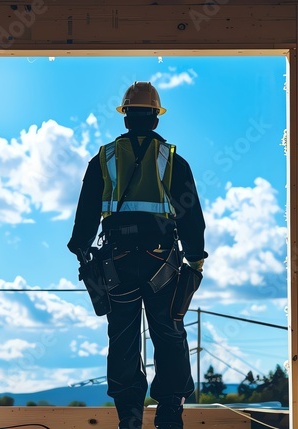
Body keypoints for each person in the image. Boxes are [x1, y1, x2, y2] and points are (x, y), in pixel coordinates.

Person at [68, 81, 207, 429]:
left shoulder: (104, 159)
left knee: (123, 340)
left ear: (126, 117)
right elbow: (190, 215)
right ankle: (169, 414)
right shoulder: (173, 161)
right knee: (170, 334)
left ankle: (129, 417)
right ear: (156, 118)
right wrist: (195, 258)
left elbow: (85, 216)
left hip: (117, 264)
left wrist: (82, 250)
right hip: (163, 263)